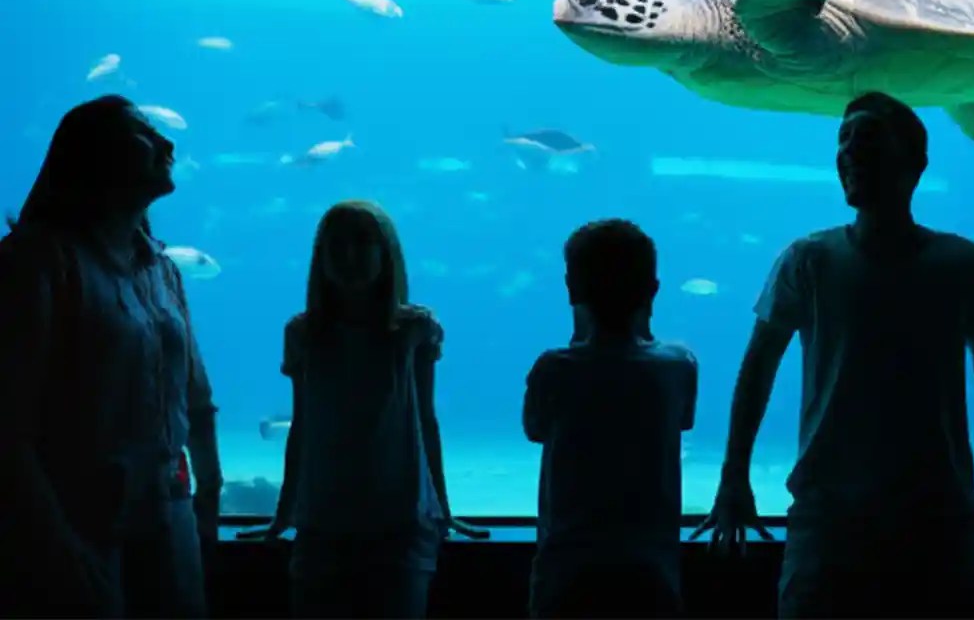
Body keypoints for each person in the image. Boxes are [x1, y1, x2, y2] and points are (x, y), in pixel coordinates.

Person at [693, 92, 974, 618]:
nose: (849, 153)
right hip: (828, 518)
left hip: (942, 515)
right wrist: (733, 475)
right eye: (843, 142)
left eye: (867, 141)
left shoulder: (961, 262)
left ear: (915, 162)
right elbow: (758, 368)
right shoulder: (806, 259)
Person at [0, 94, 223, 617]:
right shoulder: (35, 263)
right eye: (143, 135)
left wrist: (208, 500)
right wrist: (57, 544)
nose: (167, 143)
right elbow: (7, 426)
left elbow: (196, 395)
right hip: (79, 526)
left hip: (170, 522)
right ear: (95, 154)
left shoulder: (162, 269)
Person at [236, 199, 487, 619]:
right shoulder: (304, 333)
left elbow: (426, 419)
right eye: (336, 246)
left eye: (362, 243)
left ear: (386, 253)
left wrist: (444, 507)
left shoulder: (414, 329)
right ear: (321, 258)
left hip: (400, 521)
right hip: (322, 521)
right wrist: (284, 515)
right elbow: (301, 427)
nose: (349, 255)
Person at [524, 219, 697, 618]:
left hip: (567, 563)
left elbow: (535, 430)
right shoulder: (679, 365)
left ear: (571, 288)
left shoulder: (555, 367)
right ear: (653, 289)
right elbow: (682, 422)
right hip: (652, 564)